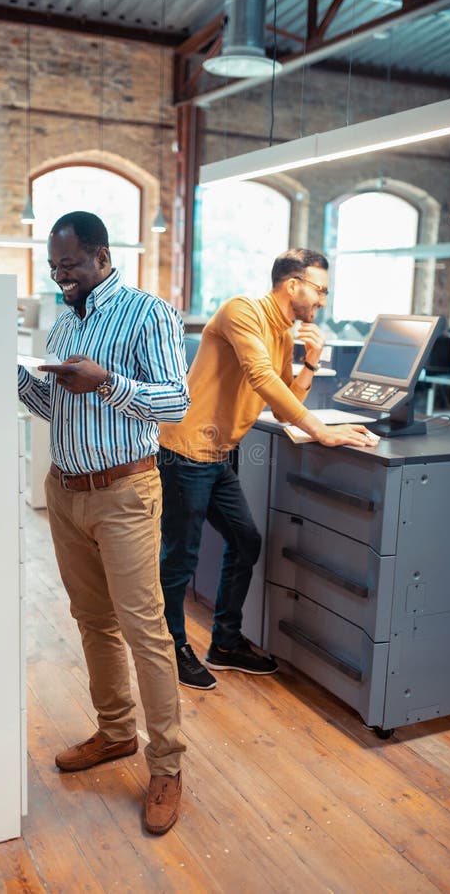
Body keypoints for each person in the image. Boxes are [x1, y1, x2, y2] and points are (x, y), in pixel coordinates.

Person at [18, 211, 189, 835]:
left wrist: (108, 382)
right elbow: (57, 403)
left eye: (70, 264)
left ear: (101, 255)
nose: (61, 275)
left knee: (146, 629)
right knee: (92, 621)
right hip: (65, 491)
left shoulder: (149, 313)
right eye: (55, 265)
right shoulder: (66, 315)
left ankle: (167, 764)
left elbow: (174, 401)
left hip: (125, 493)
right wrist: (17, 377)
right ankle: (117, 733)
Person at [158, 248, 378, 690]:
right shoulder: (242, 311)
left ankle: (224, 643)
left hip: (219, 456)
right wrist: (321, 430)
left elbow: (280, 402)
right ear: (292, 284)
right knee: (181, 556)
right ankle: (169, 650)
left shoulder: (281, 332)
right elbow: (261, 378)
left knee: (246, 540)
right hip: (185, 451)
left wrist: (312, 361)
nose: (322, 301)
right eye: (319, 290)